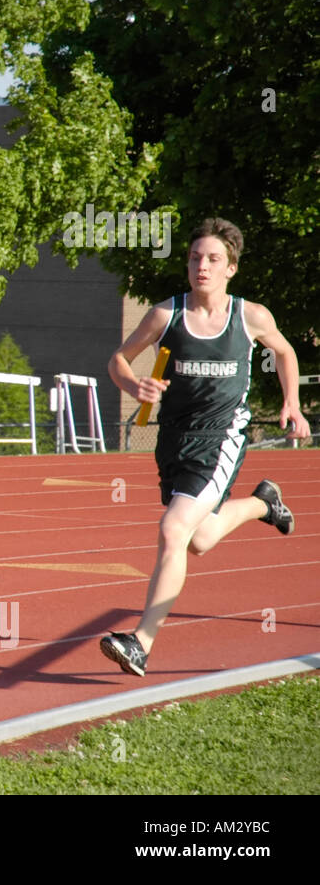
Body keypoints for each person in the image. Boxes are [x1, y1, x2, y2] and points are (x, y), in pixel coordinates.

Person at [100, 217, 311, 676]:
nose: (203, 266)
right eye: (196, 257)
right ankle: (263, 503)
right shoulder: (165, 315)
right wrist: (135, 385)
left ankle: (140, 642)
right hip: (174, 441)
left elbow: (286, 352)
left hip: (221, 440)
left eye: (214, 259)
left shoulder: (249, 316)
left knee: (173, 530)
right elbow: (117, 360)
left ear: (230, 268)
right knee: (199, 538)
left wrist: (292, 402)